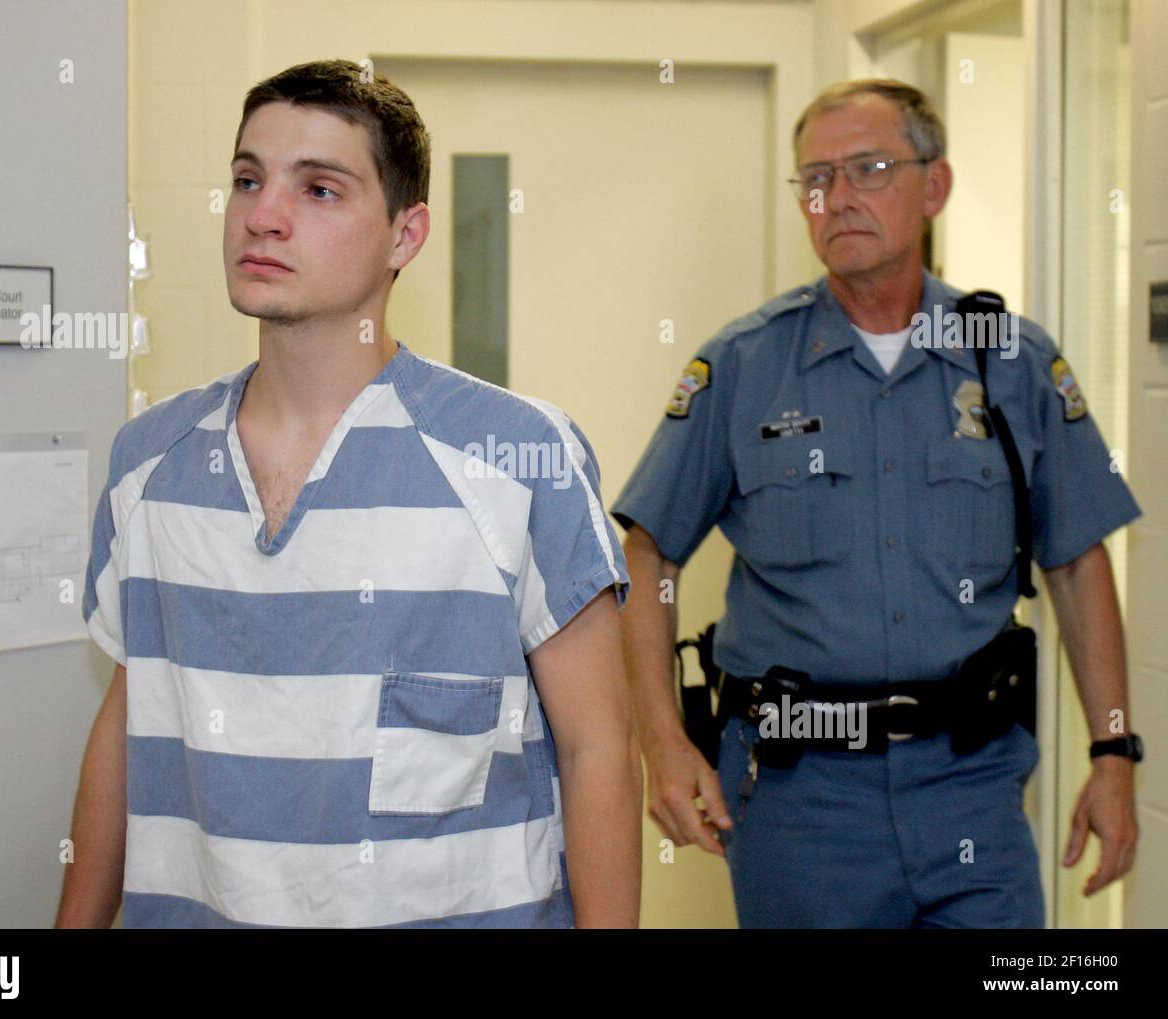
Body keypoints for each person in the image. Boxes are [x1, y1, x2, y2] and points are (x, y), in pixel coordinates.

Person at [56, 59, 640, 929]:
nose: (264, 215)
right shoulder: (150, 463)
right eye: (247, 179)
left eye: (319, 189)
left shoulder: (520, 458)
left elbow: (601, 753)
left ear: (406, 235)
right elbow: (127, 724)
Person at [612, 79, 1142, 928]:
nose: (838, 197)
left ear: (935, 186)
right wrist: (662, 744)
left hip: (972, 786)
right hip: (800, 801)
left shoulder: (1010, 363)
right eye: (816, 178)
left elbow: (1077, 563)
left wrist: (1113, 752)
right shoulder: (746, 365)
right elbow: (648, 555)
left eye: (869, 168)